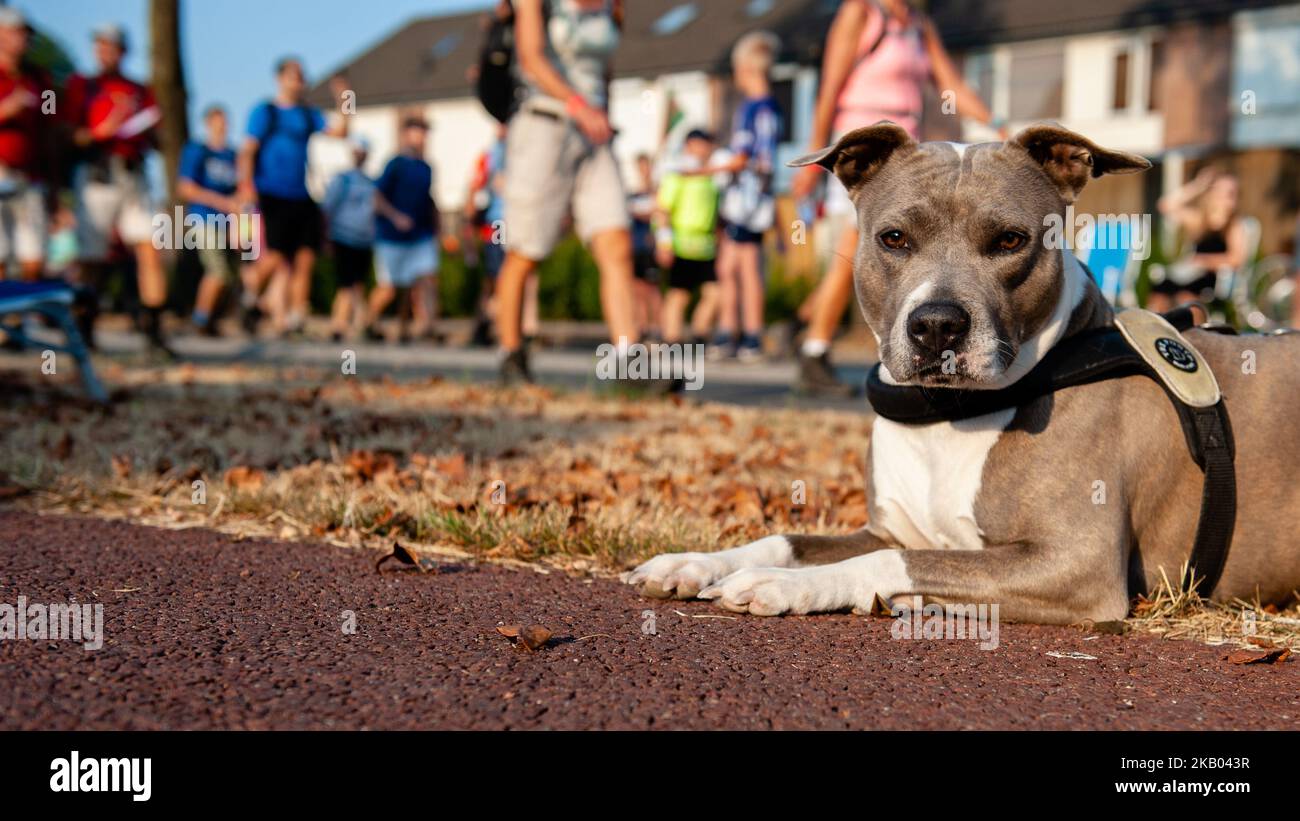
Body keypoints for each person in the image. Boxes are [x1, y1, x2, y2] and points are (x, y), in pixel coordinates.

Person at [790, 0, 999, 395]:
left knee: (885, 248)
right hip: (863, 146)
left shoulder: (919, 23)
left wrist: (996, 124)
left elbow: (950, 86)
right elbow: (830, 85)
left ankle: (804, 323)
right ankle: (814, 352)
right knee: (858, 245)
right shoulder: (860, 12)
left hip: (907, 151)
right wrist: (815, 155)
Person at [496, 0, 646, 386]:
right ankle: (511, 355)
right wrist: (578, 106)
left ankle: (627, 360)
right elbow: (531, 59)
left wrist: (603, 114)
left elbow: (605, 70)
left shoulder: (613, 5)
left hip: (595, 133)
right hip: (546, 124)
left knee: (616, 241)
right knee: (526, 251)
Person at [66, 23, 171, 354]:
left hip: (133, 175)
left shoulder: (139, 90)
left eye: (112, 46)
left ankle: (154, 330)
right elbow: (68, 134)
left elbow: (157, 140)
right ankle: (85, 328)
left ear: (123, 51)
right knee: (92, 258)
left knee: (150, 247)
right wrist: (100, 132)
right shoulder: (82, 86)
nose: (105, 52)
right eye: (100, 46)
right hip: (98, 175)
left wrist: (150, 130)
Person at [236, 57, 348, 336]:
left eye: (302, 75)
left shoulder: (308, 114)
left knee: (307, 256)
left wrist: (346, 98)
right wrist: (246, 187)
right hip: (272, 193)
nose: (300, 80)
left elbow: (342, 133)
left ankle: (297, 316)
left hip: (302, 194)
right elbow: (248, 150)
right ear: (280, 78)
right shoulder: (266, 112)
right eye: (294, 74)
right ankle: (248, 295)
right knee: (275, 256)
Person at [703, 31, 784, 363]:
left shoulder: (753, 109)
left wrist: (699, 171)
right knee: (734, 268)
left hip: (747, 203)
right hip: (754, 201)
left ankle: (744, 334)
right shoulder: (771, 107)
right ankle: (736, 332)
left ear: (748, 68)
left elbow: (743, 158)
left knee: (740, 269)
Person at [363, 116, 440, 344]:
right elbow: (377, 198)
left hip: (420, 235)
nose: (423, 137)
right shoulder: (394, 164)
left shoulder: (427, 168)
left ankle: (420, 328)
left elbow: (428, 200)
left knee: (425, 280)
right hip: (391, 237)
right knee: (390, 288)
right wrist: (395, 217)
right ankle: (368, 322)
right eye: (418, 132)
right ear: (406, 135)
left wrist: (437, 227)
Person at [177, 104, 239, 336]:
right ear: (207, 123)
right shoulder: (198, 151)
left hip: (228, 222)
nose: (223, 125)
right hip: (204, 218)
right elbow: (186, 188)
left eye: (225, 120)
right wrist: (220, 202)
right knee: (217, 271)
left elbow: (240, 190)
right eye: (217, 120)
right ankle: (200, 319)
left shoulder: (232, 155)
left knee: (229, 275)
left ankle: (210, 318)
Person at [1149, 167, 1248, 313]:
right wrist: (1198, 186)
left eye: (1229, 193)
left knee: (1186, 299)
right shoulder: (1200, 220)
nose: (1223, 197)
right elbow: (1166, 205)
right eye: (1219, 190)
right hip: (1190, 273)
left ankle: (1193, 333)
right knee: (1160, 293)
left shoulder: (1233, 226)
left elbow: (1236, 259)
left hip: (1212, 278)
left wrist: (1204, 260)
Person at [655, 129, 720, 349]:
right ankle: (671, 338)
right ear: (689, 145)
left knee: (715, 294)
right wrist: (664, 243)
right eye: (702, 144)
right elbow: (663, 210)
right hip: (682, 243)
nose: (707, 149)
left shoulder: (710, 176)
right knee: (679, 295)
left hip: (705, 246)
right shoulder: (678, 173)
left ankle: (699, 333)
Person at [0, 8, 51, 282]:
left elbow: (51, 116)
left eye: (24, 33)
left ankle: (20, 316)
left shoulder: (41, 80)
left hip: (31, 175)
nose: (20, 39)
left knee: (35, 256)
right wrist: (5, 111)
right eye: (13, 32)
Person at [321, 137, 375, 342]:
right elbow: (327, 210)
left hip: (364, 240)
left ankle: (346, 323)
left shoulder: (370, 182)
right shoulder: (342, 179)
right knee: (346, 283)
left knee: (357, 284)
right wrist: (325, 237)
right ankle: (344, 324)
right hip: (343, 237)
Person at [627, 152, 664, 339]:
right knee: (637, 290)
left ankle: (657, 328)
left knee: (653, 290)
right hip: (635, 245)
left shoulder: (657, 191)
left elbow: (659, 214)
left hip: (651, 246)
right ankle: (641, 328)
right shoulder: (632, 192)